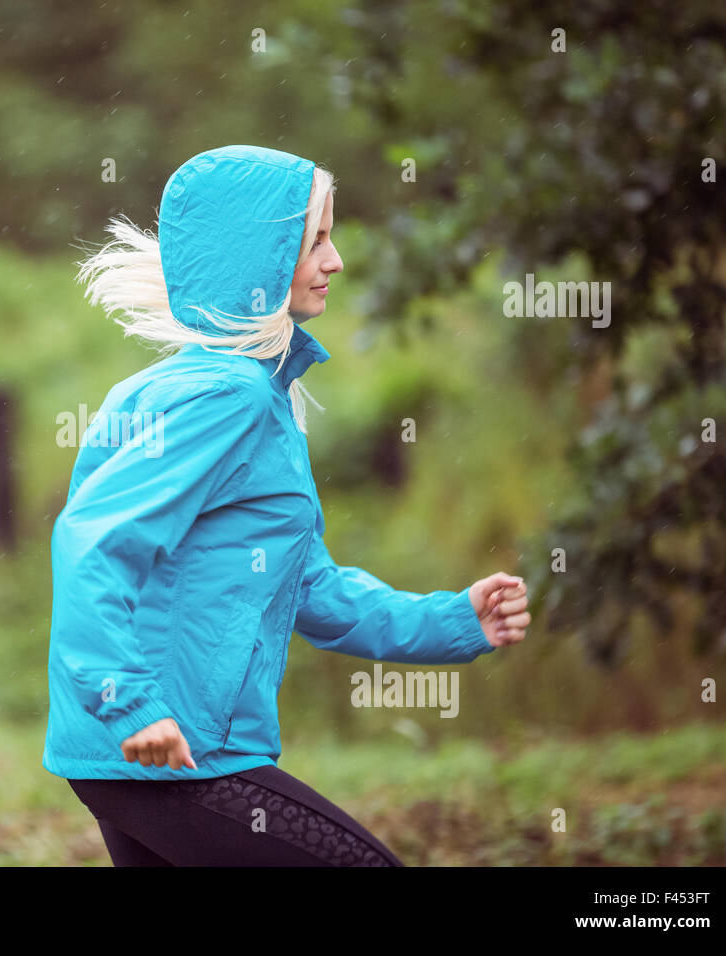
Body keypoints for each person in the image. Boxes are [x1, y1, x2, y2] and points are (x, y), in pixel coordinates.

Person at [43, 144, 530, 866]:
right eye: (315, 241)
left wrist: (454, 621)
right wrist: (132, 704)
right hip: (173, 747)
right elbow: (93, 542)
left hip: (143, 752)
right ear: (258, 256)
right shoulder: (223, 397)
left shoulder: (234, 391)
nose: (334, 261)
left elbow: (309, 586)